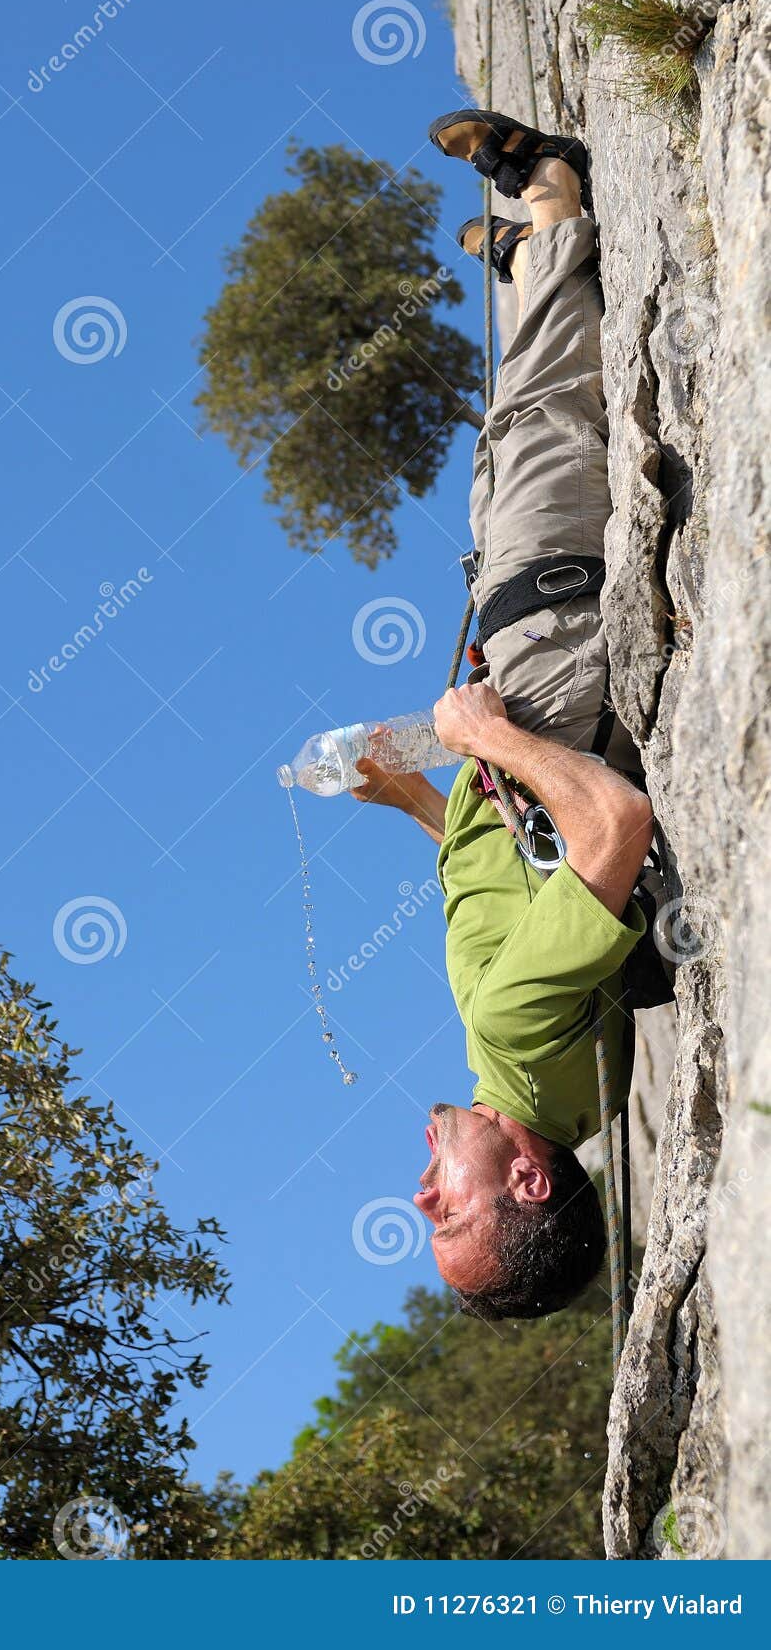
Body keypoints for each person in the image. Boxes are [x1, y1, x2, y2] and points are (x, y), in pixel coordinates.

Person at [352, 111, 655, 1319]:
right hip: (538, 682)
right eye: (453, 1215)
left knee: (502, 467)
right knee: (531, 437)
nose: (421, 1198)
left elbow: (522, 891)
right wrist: (491, 740)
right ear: (530, 1178)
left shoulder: (581, 1097)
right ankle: (552, 199)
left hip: (514, 746)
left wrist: (423, 800)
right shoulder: (517, 1033)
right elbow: (610, 833)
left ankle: (530, 268)